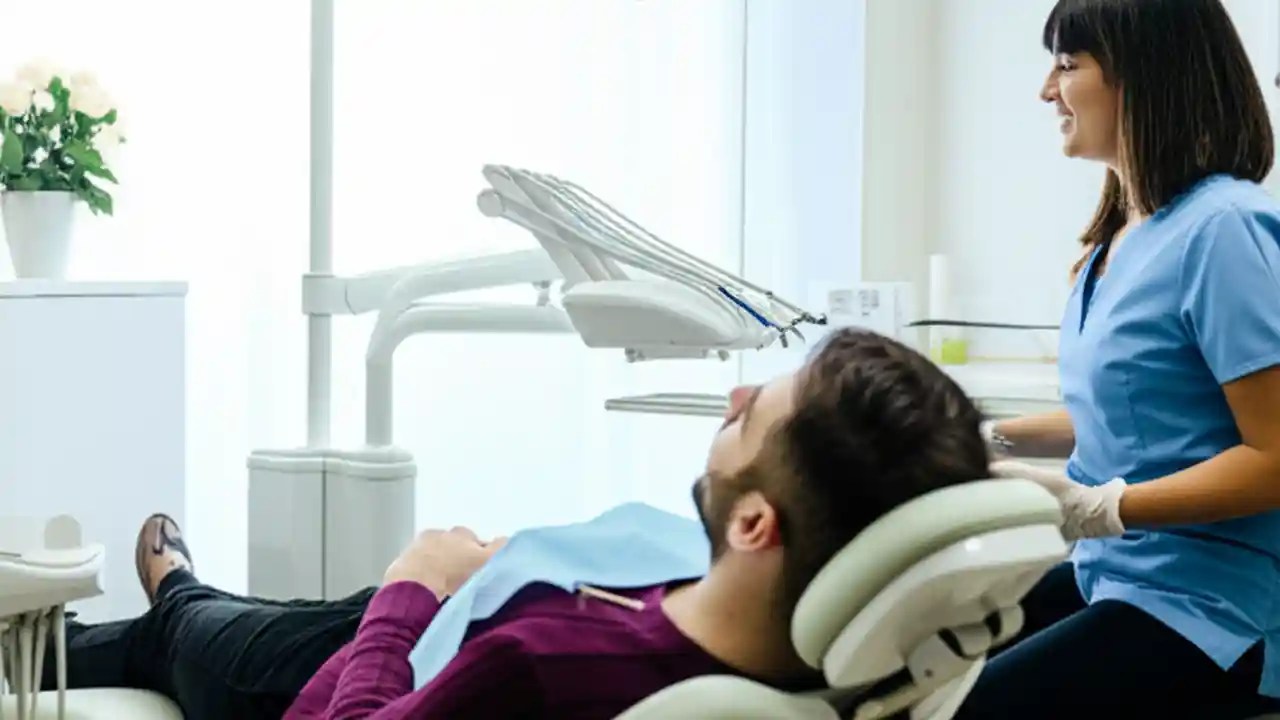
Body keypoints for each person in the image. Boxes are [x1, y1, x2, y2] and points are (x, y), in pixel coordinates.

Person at [42, 327, 991, 720]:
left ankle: (174, 601)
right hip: (455, 620)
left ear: (755, 526)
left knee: (215, 644)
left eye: (752, 414)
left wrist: (413, 585)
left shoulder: (546, 664)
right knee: (285, 619)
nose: (733, 393)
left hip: (391, 655)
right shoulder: (847, 670)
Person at [955, 1, 1280, 718]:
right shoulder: (1119, 238)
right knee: (918, 661)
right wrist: (979, 439)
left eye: (1068, 66)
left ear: (1145, 77)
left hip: (1212, 606)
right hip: (1117, 573)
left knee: (968, 710)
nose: (1048, 91)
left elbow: (1274, 456)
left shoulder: (1224, 230)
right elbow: (1135, 415)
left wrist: (1103, 507)